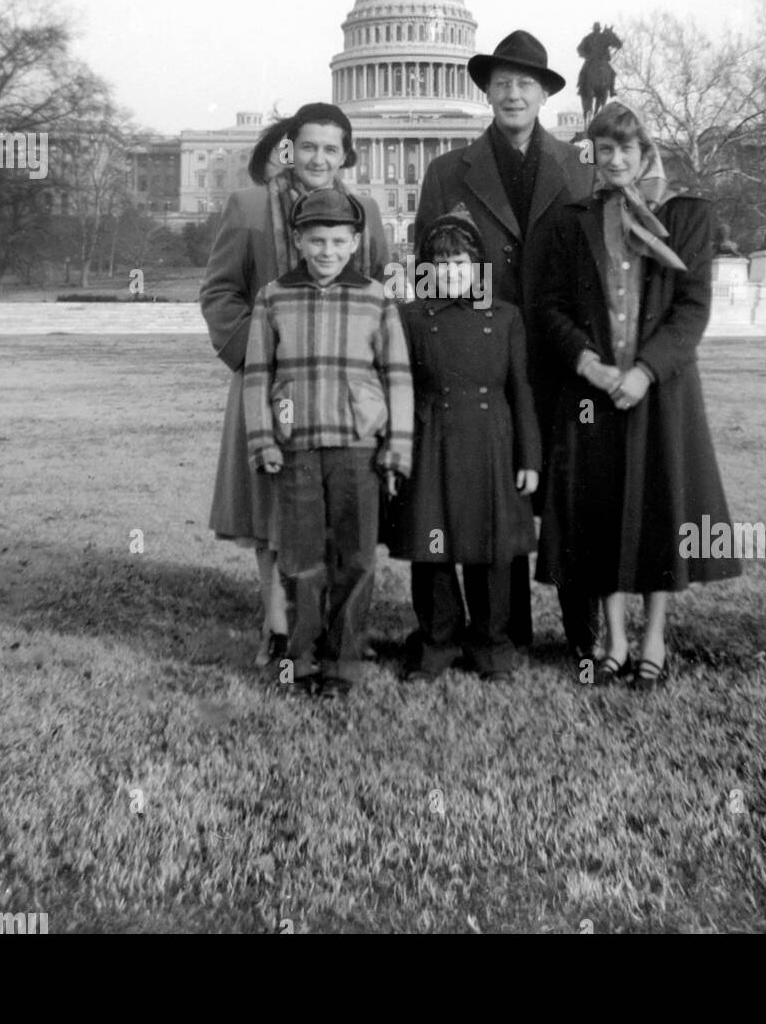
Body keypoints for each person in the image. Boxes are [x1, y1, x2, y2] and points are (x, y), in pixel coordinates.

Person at [535, 102, 740, 689]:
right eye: (605, 150)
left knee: (658, 511)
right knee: (601, 513)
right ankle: (616, 637)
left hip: (659, 390)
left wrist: (646, 371)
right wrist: (589, 364)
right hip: (595, 391)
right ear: (594, 156)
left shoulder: (686, 216)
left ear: (647, 151)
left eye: (627, 148)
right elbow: (551, 307)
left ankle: (654, 635)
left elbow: (692, 307)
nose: (616, 159)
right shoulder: (577, 220)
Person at [414, 30, 594, 658]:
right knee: (490, 487)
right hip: (484, 359)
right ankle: (497, 630)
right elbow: (427, 272)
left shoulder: (580, 168)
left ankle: (583, 632)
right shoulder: (446, 173)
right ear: (487, 93)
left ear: (544, 95)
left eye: (526, 83)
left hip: (564, 356)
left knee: (568, 493)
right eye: (502, 83)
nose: (513, 94)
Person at [199, 103, 388, 669]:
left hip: (341, 388)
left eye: (332, 149)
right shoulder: (251, 207)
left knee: (334, 509)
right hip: (270, 384)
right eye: (309, 147)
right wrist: (254, 356)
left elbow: (376, 289)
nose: (319, 159)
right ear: (289, 147)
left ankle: (333, 628)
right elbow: (219, 292)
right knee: (269, 511)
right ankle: (278, 623)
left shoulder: (366, 211)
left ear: (345, 154)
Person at [243, 187, 412, 698]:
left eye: (339, 241)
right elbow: (257, 373)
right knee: (300, 558)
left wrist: (396, 445)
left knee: (356, 558)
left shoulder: (375, 297)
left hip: (358, 446)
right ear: (298, 240)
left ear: (356, 240)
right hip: (296, 446)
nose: (327, 252)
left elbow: (397, 374)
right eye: (317, 241)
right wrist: (264, 438)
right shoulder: (273, 296)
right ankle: (301, 659)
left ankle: (343, 662)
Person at [396, 205, 540, 683]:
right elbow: (400, 386)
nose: (451, 272)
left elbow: (520, 390)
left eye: (460, 262)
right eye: (440, 262)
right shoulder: (411, 317)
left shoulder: (504, 317)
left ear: (478, 266)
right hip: (431, 437)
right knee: (431, 548)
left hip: (492, 443)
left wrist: (529, 457)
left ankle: (492, 646)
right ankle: (437, 643)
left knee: (490, 549)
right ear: (426, 268)